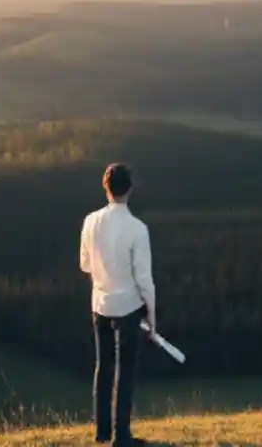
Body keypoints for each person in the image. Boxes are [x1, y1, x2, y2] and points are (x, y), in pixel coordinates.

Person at [80, 163, 156, 446]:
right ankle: (121, 436)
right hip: (128, 306)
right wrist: (151, 313)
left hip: (99, 303)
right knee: (125, 371)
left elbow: (85, 263)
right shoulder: (138, 229)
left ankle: (102, 433)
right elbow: (144, 279)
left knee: (103, 367)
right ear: (131, 189)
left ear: (106, 187)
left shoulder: (90, 221)